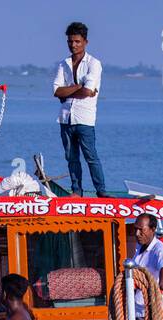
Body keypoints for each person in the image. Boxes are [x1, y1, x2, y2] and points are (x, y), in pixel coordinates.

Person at [53, 21, 107, 197]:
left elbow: (87, 91)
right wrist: (78, 86)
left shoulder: (94, 63)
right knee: (71, 158)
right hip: (65, 118)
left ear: (85, 42)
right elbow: (56, 91)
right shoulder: (63, 64)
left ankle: (101, 191)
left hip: (85, 118)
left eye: (77, 41)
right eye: (70, 41)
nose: (73, 45)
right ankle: (77, 191)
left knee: (91, 157)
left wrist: (68, 91)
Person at [130, 213, 163, 318]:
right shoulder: (140, 246)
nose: (137, 233)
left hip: (148, 310)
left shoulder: (159, 249)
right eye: (136, 229)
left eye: (141, 230)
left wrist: (161, 286)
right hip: (135, 307)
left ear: (152, 229)